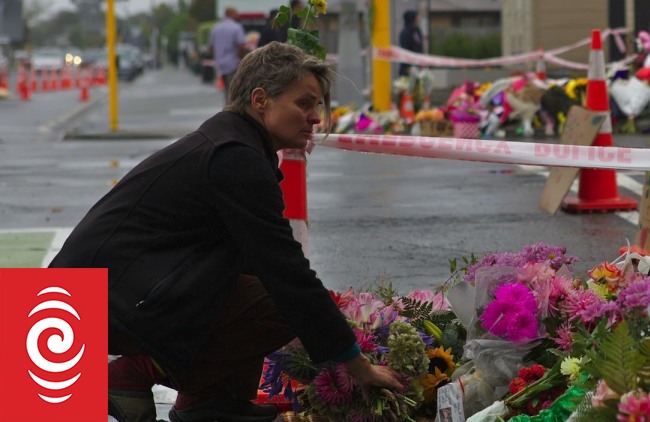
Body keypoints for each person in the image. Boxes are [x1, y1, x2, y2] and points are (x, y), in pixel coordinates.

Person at [50, 42, 405, 422]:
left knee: (253, 275)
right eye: (304, 103)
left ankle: (212, 401)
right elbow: (288, 274)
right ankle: (131, 374)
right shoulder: (235, 158)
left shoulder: (233, 143)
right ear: (260, 100)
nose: (315, 117)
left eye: (317, 106)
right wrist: (358, 364)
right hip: (76, 309)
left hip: (89, 296)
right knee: (278, 301)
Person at [209, 7, 247, 97]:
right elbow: (241, 46)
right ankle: (231, 108)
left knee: (227, 90)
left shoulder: (215, 28)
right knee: (234, 92)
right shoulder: (237, 27)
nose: (238, 15)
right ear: (231, 14)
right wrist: (244, 60)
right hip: (234, 64)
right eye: (236, 13)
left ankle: (228, 106)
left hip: (221, 64)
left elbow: (211, 47)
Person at [397, 8, 424, 78]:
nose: (419, 18)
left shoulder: (417, 31)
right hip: (408, 66)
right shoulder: (405, 32)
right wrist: (407, 66)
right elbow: (405, 49)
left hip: (418, 64)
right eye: (417, 16)